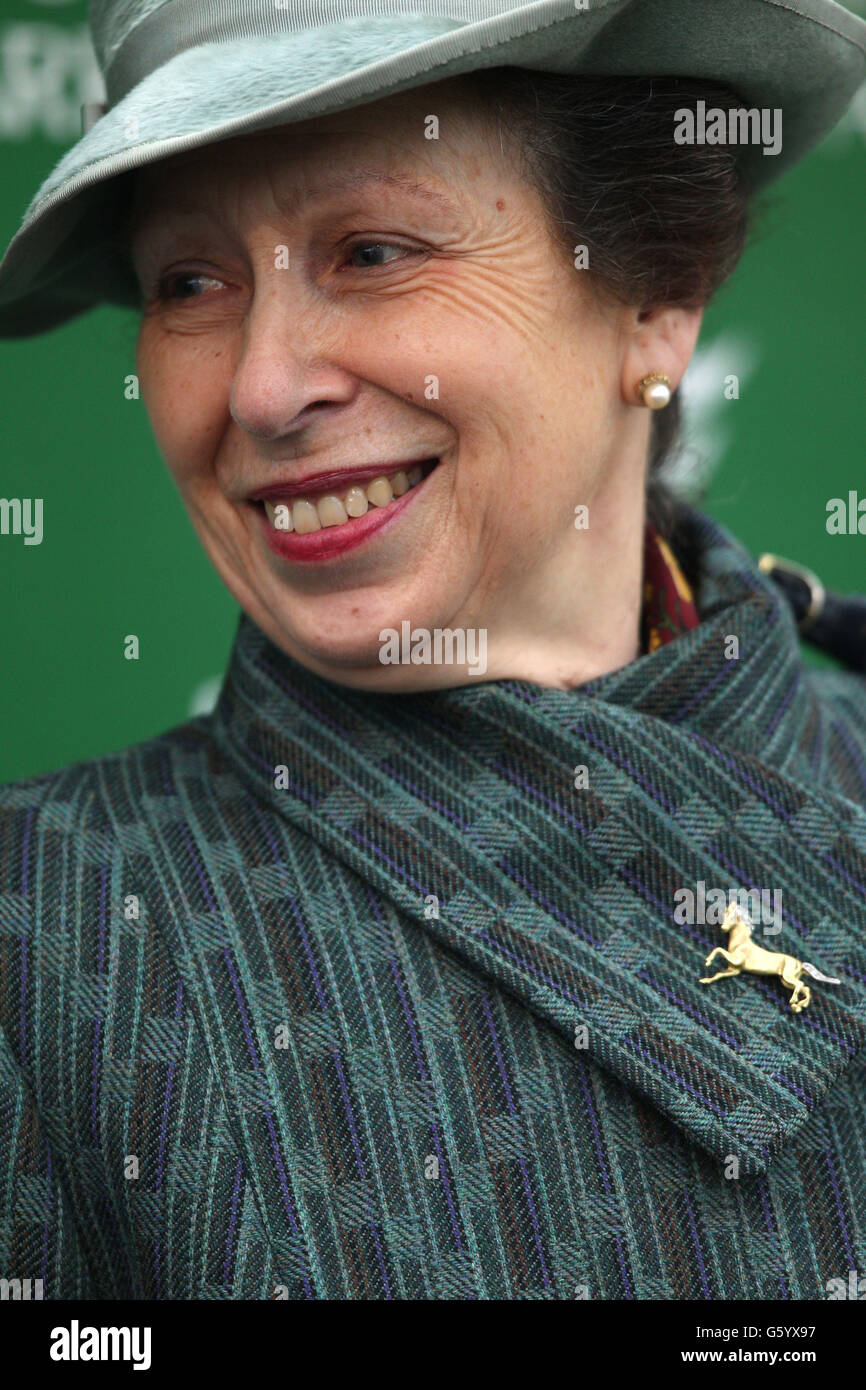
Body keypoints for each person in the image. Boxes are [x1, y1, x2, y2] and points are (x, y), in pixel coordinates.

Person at [1, 0, 865, 1300]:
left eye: (370, 250)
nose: (259, 386)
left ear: (655, 296)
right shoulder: (42, 940)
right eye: (189, 281)